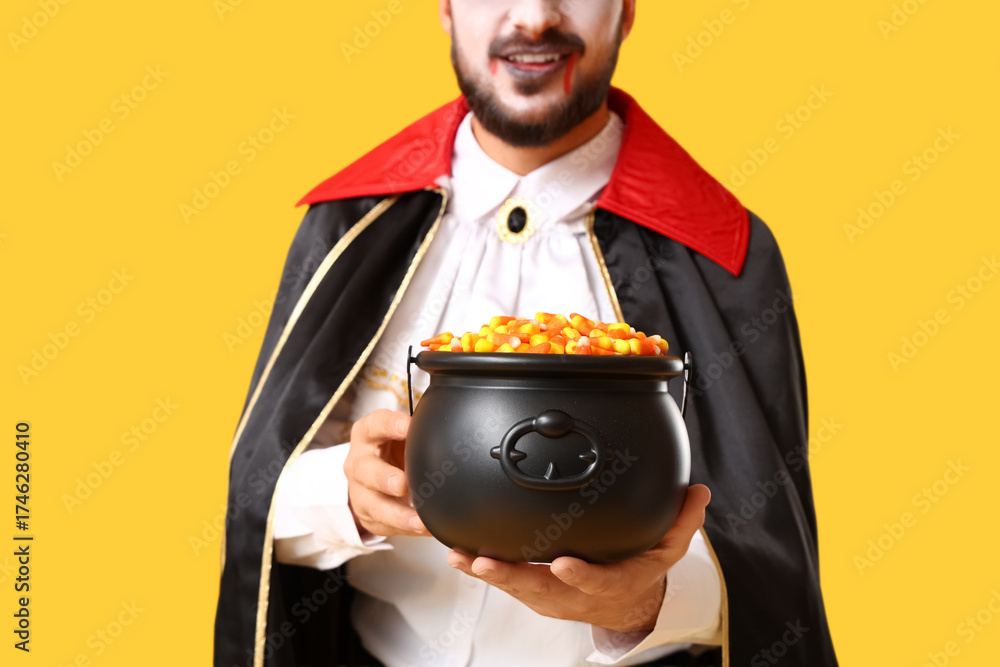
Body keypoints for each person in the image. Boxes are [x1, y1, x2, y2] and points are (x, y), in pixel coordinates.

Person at [214, 2, 839, 666]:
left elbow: (774, 572)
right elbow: (257, 501)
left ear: (626, 11)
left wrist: (643, 604)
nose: (536, 17)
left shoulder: (720, 253)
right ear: (447, 8)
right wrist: (345, 497)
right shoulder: (350, 225)